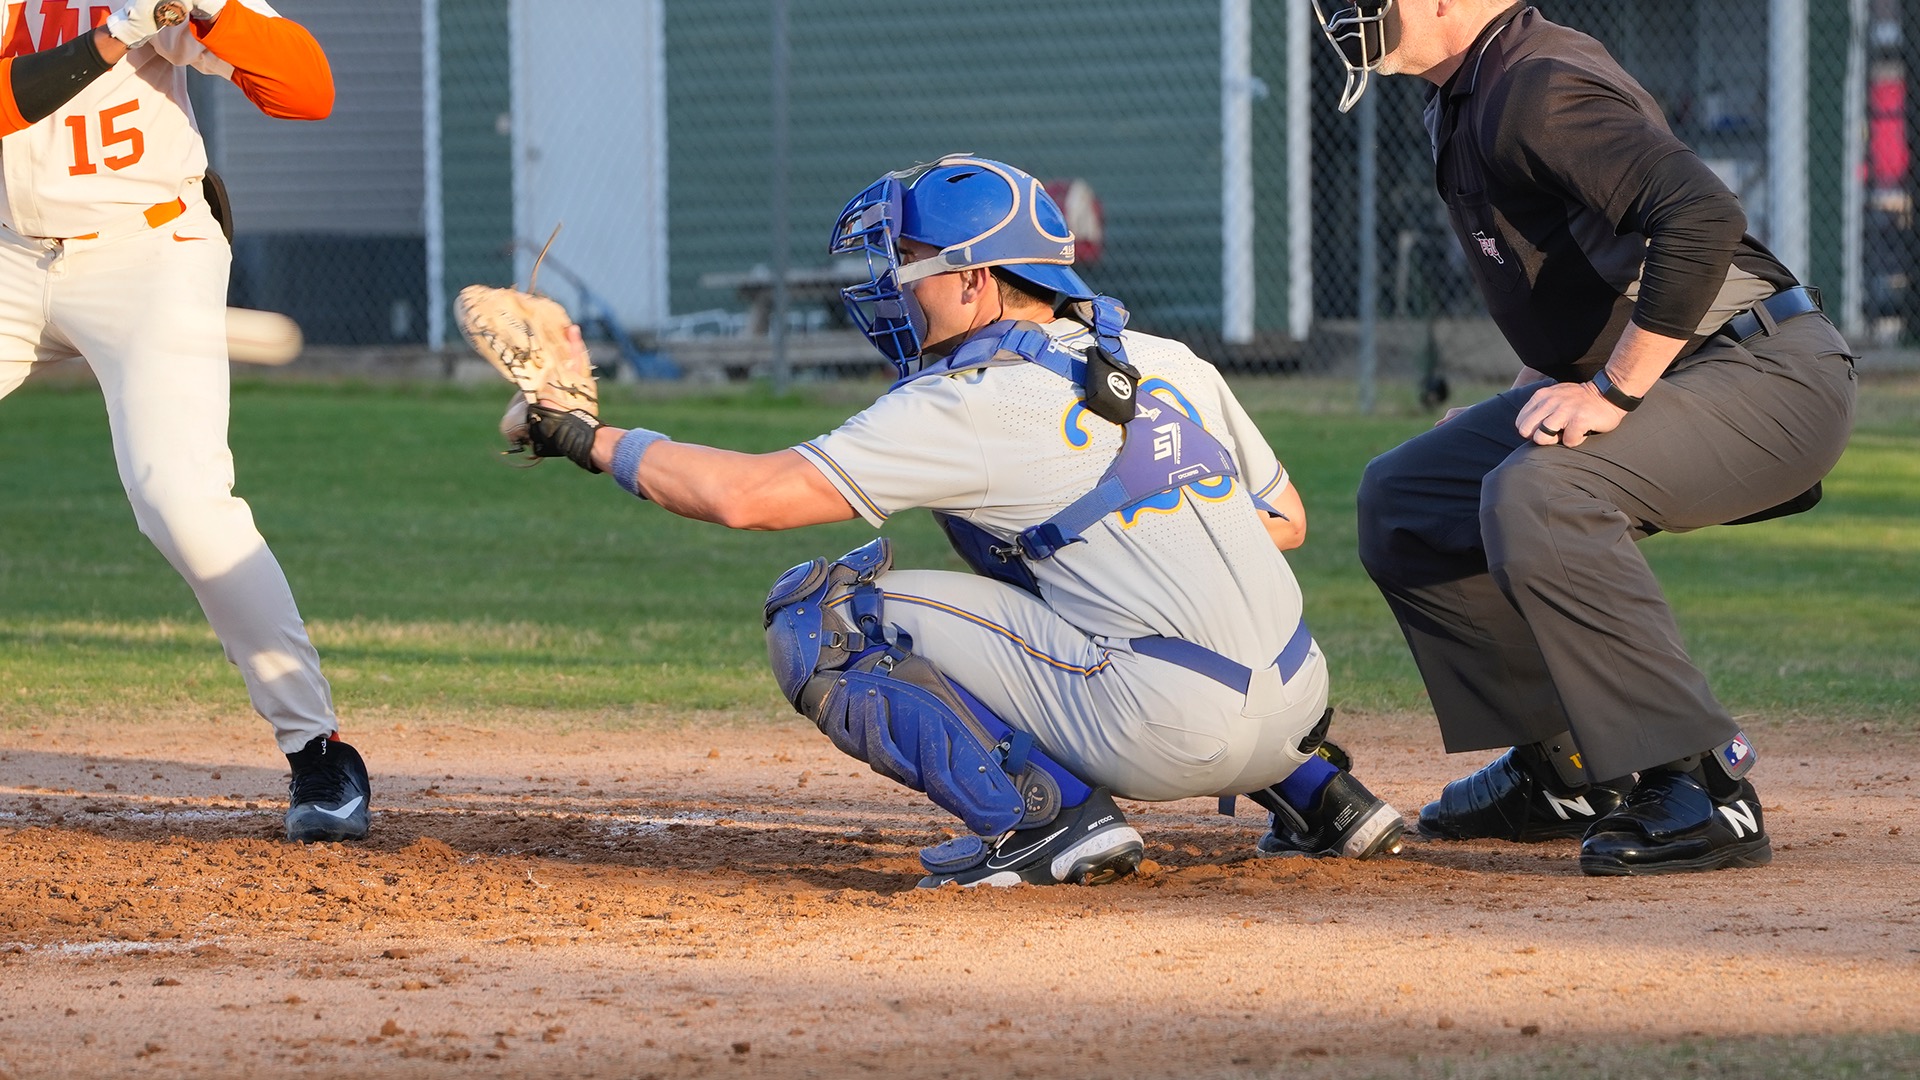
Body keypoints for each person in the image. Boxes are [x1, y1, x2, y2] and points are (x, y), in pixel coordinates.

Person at [518, 155, 1406, 887]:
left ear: (977, 279)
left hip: (1162, 731)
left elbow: (747, 497)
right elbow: (1281, 520)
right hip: (1299, 697)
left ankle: (1048, 821)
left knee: (821, 617)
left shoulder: (969, 401)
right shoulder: (1168, 358)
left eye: (907, 266)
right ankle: (1322, 795)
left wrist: (582, 435)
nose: (889, 289)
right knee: (1104, 571)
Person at [1312, 1, 1856, 874]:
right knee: (1410, 497)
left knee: (1542, 491)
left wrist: (1611, 391)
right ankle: (1565, 770)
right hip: (1689, 362)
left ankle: (1703, 785)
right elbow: (1582, 279)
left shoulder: (1536, 80)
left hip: (1768, 369)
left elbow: (1700, 216)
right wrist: (1533, 391)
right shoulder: (1462, 93)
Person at [0, 0, 368, 842]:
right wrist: (118, 34)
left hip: (151, 248)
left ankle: (319, 750)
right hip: (13, 253)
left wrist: (208, 12)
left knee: (179, 500)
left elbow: (308, 91)